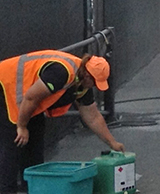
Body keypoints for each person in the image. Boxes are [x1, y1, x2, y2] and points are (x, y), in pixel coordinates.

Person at [0, 50, 125, 193]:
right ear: (87, 75)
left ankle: (31, 188)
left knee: (34, 146)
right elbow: (31, 97)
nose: (95, 86)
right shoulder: (61, 73)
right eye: (95, 83)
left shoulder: (82, 84)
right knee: (13, 144)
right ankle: (6, 190)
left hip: (26, 100)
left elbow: (93, 117)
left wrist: (112, 143)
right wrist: (21, 126)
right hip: (6, 86)